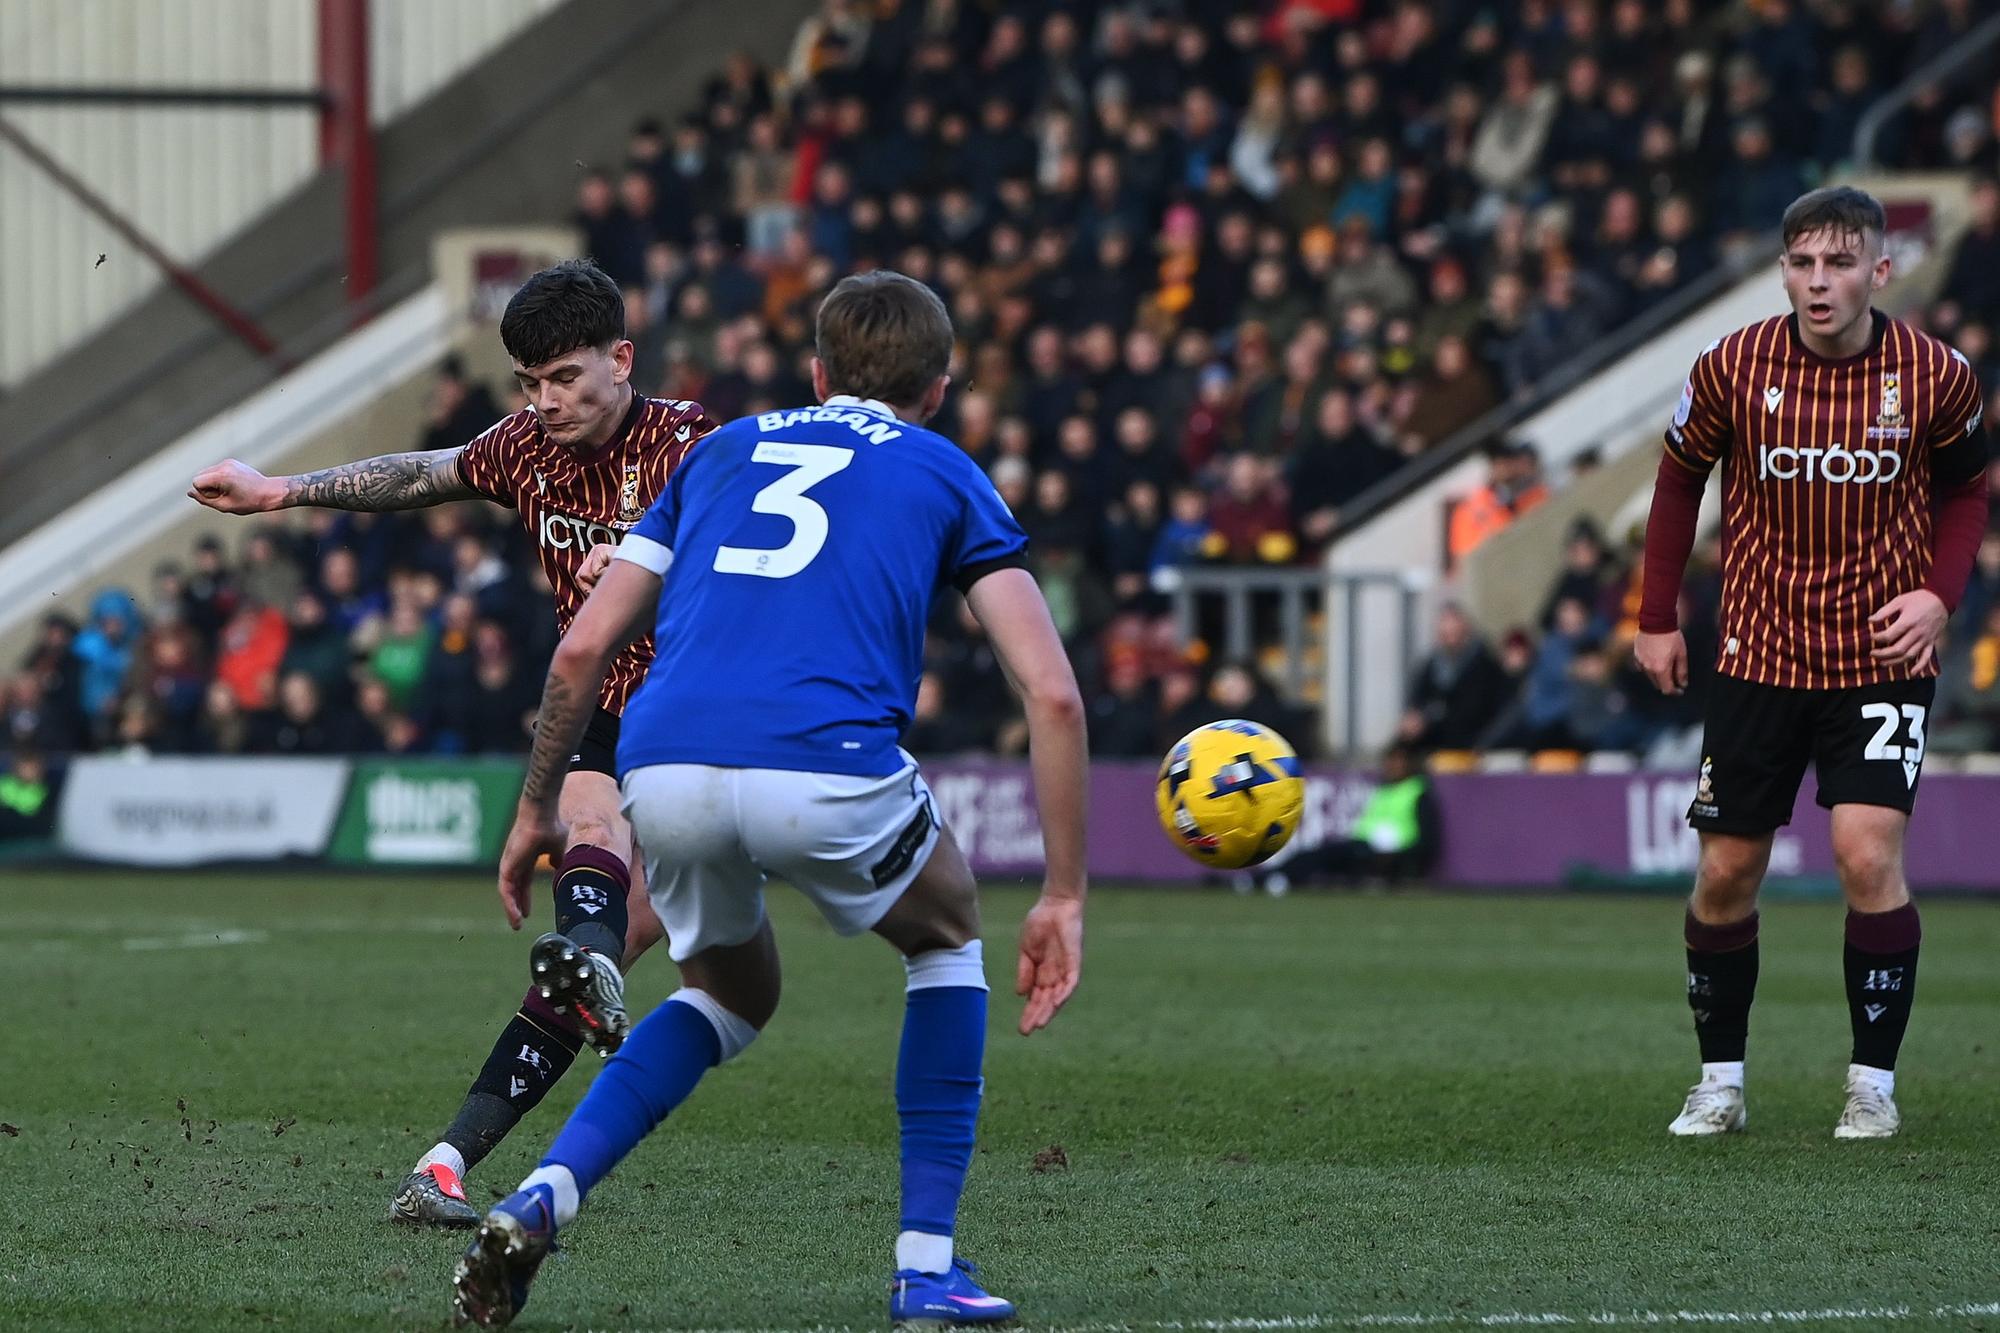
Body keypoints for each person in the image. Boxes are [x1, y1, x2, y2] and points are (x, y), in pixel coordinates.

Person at [452, 271, 1088, 1328]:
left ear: (815, 375)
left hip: (665, 760)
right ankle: (925, 1265)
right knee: (946, 942)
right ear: (936, 389)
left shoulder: (718, 449)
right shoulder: (942, 465)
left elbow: (579, 649)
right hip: (824, 760)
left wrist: (534, 814)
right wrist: (1063, 892)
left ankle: (539, 1197)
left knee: (726, 992)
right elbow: (1053, 693)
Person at [187, 259, 718, 1224]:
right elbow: (421, 476)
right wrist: (281, 491)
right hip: (606, 697)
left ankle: (591, 953)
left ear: (622, 360)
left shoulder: (698, 447)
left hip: (708, 707)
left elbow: (761, 575)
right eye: (529, 382)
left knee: (648, 928)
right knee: (591, 852)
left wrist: (658, 564)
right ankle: (442, 1164)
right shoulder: (524, 446)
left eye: (565, 378)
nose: (544, 402)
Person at [1635, 187, 1989, 1140]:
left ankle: (1871, 1082)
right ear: (1783, 269)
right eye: (1802, 263)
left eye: (1839, 263)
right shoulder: (1734, 365)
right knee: (1725, 876)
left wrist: (1940, 598)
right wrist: (1655, 616)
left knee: (1866, 853)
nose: (1818, 281)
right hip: (1759, 648)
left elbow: (1969, 492)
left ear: (1882, 269)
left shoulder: (1935, 375)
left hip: (1880, 651)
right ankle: (1721, 1081)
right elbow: (1678, 480)